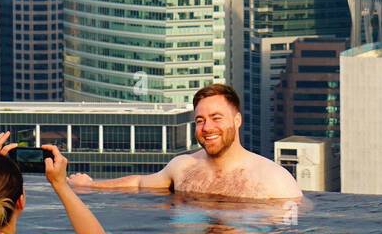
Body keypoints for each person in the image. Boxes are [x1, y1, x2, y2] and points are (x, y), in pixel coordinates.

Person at [68, 83, 303, 201]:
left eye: (216, 118)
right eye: (200, 120)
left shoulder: (273, 179)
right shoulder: (182, 167)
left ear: (238, 120)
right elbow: (139, 183)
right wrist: (90, 185)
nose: (207, 128)